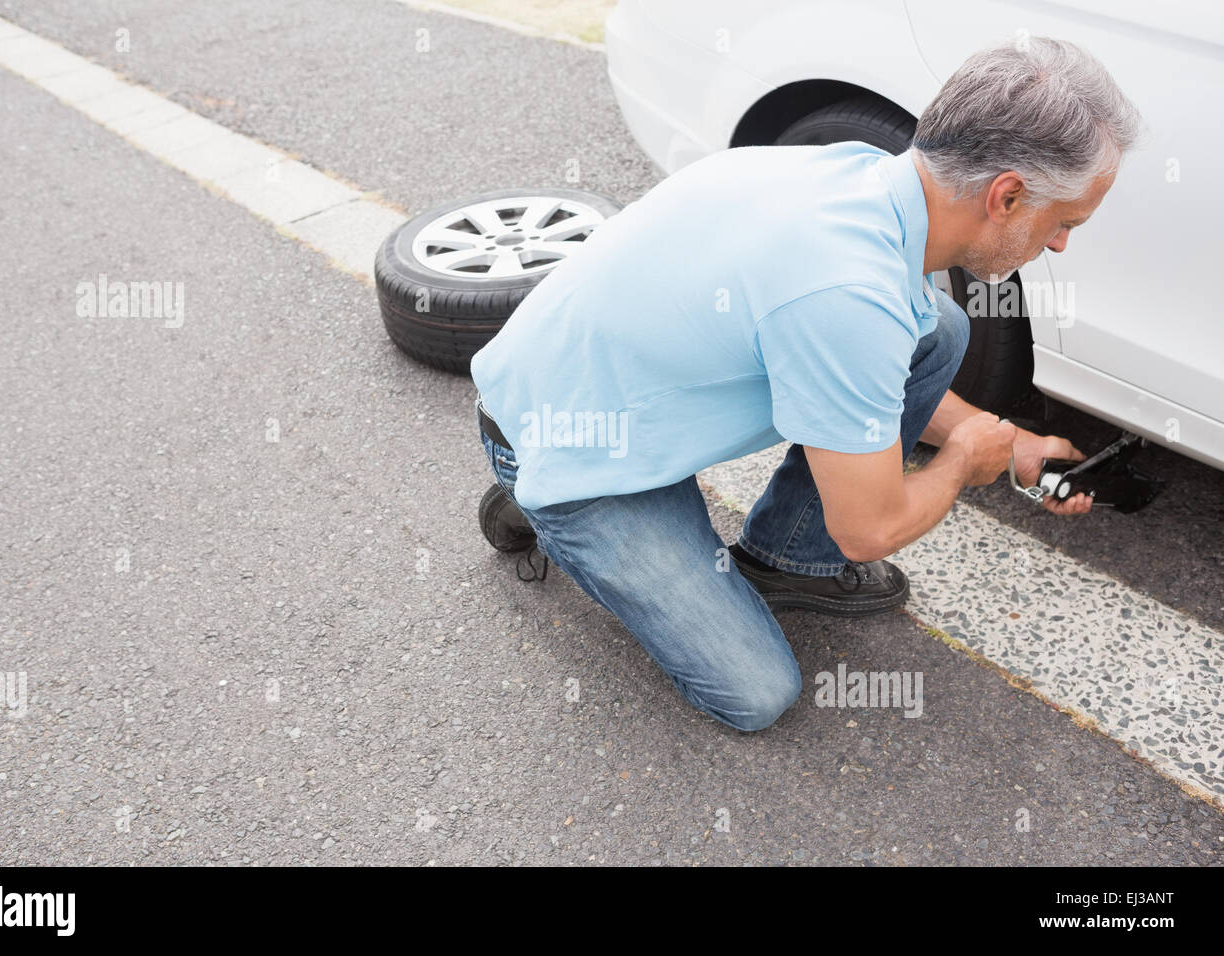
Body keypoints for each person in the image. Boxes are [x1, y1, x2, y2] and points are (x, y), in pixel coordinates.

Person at [470, 37, 1142, 732]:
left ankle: (787, 561)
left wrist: (1012, 443)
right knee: (757, 692)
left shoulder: (861, 178)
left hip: (605, 389)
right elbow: (870, 529)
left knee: (935, 330)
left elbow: (857, 376)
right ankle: (540, 499)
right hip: (567, 443)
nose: (1060, 243)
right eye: (1064, 221)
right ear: (1006, 195)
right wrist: (962, 463)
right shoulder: (847, 292)